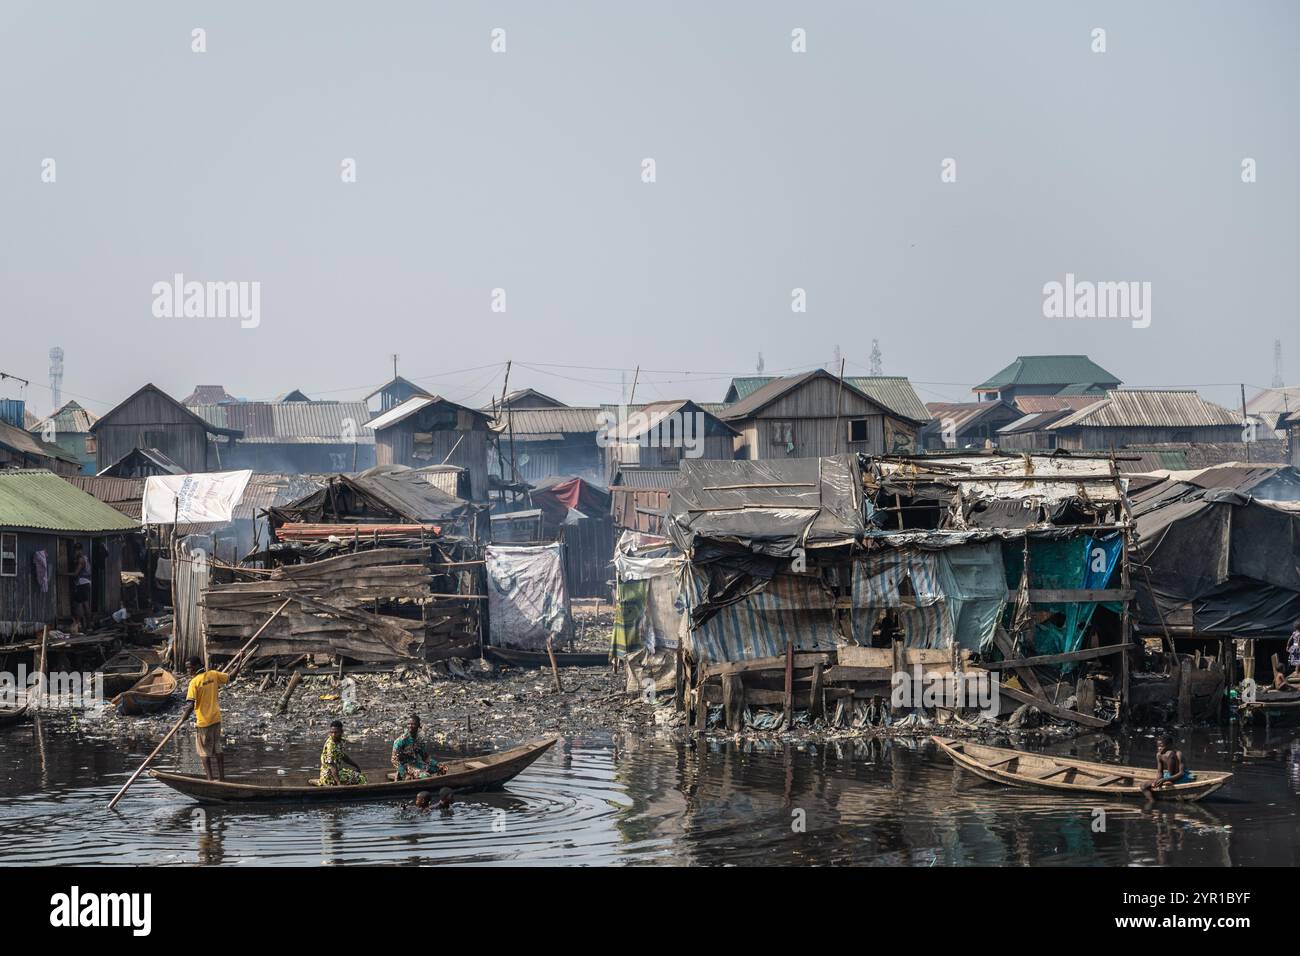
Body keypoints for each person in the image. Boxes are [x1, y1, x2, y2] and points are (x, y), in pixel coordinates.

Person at [185, 656, 229, 781]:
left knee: (204, 752)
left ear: (197, 666)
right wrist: (241, 660)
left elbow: (190, 705)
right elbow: (232, 676)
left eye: (190, 667)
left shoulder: (194, 682)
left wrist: (183, 718)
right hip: (216, 719)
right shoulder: (213, 675)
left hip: (204, 722)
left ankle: (210, 780)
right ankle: (222, 778)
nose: (188, 670)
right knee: (217, 748)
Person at [391, 714, 443, 780]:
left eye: (413, 724)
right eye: (409, 724)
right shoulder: (401, 741)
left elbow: (425, 757)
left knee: (440, 769)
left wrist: (437, 764)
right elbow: (394, 760)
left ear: (418, 725)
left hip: (417, 764)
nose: (410, 726)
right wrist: (404, 774)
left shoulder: (419, 739)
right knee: (425, 776)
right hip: (406, 767)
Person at [1142, 734, 1193, 798]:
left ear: (1169, 745)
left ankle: (1170, 782)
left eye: (1161, 746)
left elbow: (1181, 773)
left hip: (1180, 777)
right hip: (1168, 777)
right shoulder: (1159, 755)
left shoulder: (1178, 754)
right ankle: (1152, 802)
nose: (1159, 748)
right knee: (1143, 786)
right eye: (1158, 746)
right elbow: (1160, 772)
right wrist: (1157, 780)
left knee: (1171, 755)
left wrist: (1166, 779)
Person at [320, 720, 367, 786]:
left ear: (341, 732)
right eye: (331, 732)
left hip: (337, 771)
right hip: (329, 775)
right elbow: (332, 765)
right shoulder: (330, 745)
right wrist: (339, 783)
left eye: (336, 732)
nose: (333, 735)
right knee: (362, 778)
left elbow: (342, 756)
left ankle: (320, 782)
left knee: (355, 774)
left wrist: (355, 765)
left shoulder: (340, 742)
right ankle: (323, 782)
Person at [69, 545, 92, 632]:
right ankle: (85, 625)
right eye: (75, 551)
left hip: (82, 583)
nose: (75, 553)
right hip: (85, 583)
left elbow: (75, 573)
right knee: (82, 604)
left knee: (82, 605)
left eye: (76, 551)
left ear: (80, 550)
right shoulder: (84, 558)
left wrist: (62, 574)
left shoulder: (81, 559)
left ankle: (84, 625)